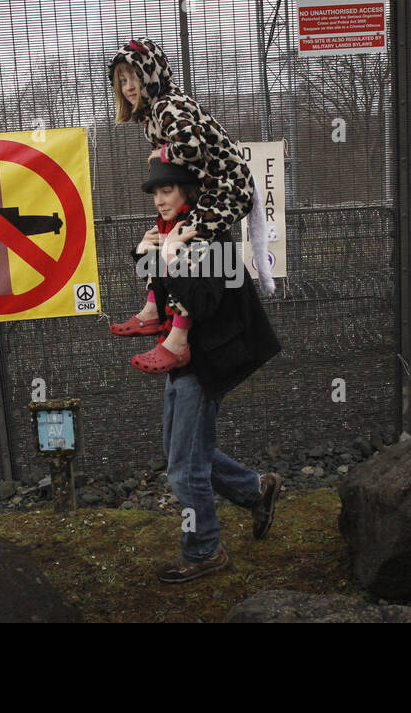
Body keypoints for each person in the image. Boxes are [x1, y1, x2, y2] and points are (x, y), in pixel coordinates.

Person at [127, 160, 283, 583]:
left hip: (206, 360)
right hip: (180, 358)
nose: (159, 200)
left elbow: (203, 304)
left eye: (169, 191)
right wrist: (146, 255)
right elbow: (160, 296)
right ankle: (255, 489)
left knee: (184, 467)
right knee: (181, 451)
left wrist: (172, 257)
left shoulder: (209, 237)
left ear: (189, 194)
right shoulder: (169, 230)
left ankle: (204, 550)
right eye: (156, 193)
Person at [106, 37, 273, 375]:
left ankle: (178, 340)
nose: (127, 87)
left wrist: (162, 153)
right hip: (209, 187)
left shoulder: (168, 105)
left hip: (227, 188)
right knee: (167, 233)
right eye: (121, 80)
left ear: (150, 75)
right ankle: (153, 309)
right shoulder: (151, 115)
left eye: (133, 77)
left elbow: (192, 147)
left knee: (188, 244)